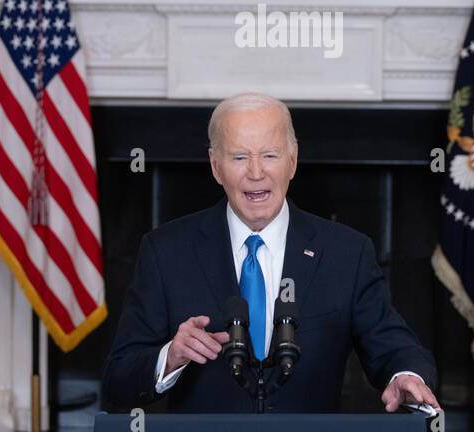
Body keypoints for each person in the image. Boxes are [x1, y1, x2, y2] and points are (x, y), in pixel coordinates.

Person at [102, 92, 440, 413]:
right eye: (238, 157)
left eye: (269, 155)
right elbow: (119, 379)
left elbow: (394, 346)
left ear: (292, 162)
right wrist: (170, 357)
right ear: (215, 166)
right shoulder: (166, 251)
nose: (255, 172)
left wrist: (406, 376)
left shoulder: (346, 253)